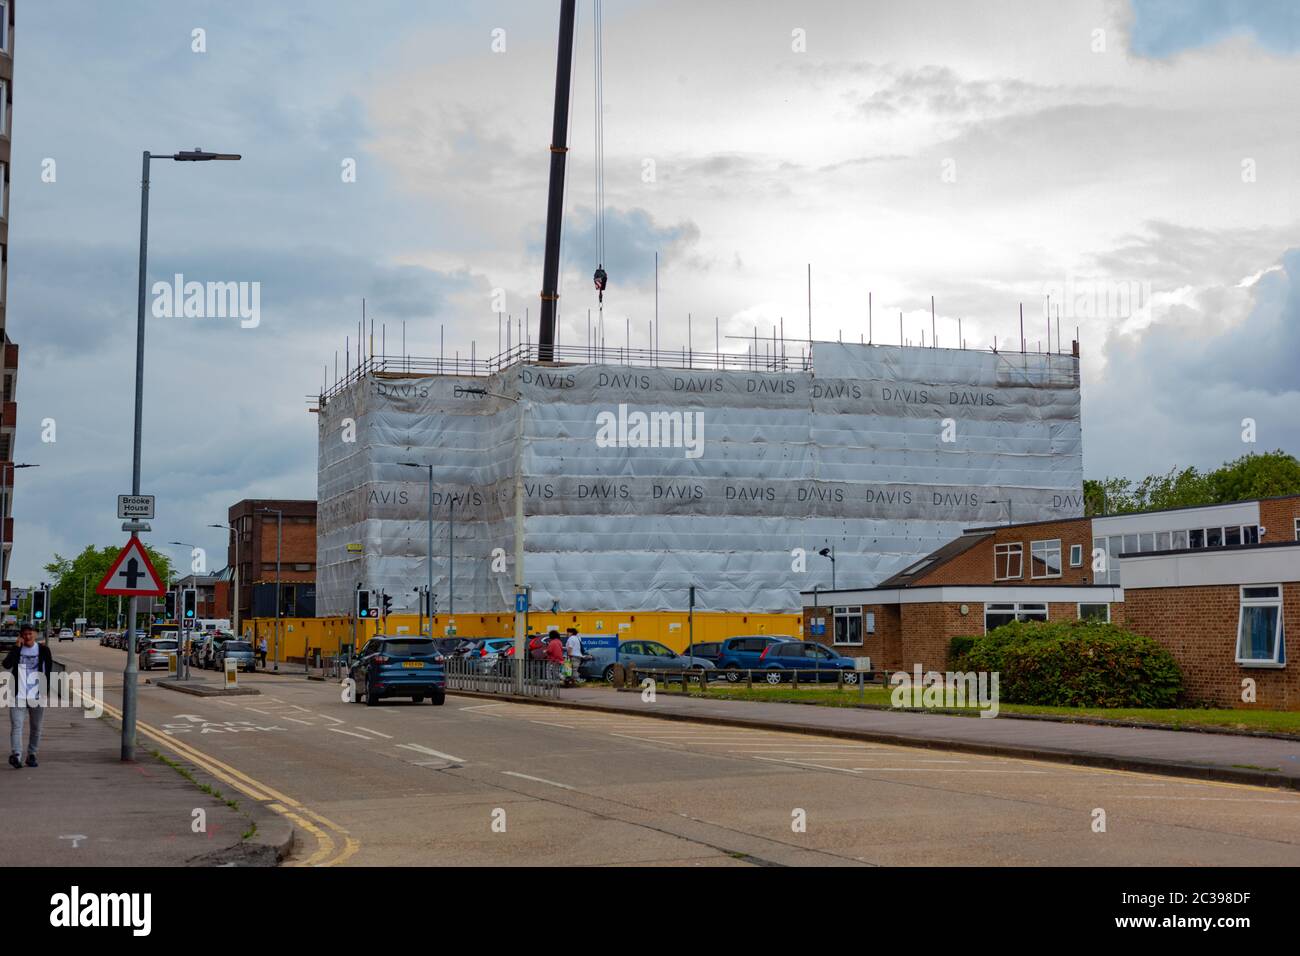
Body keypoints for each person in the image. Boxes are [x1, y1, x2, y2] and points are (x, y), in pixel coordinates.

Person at [4, 624, 52, 769]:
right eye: (24, 634)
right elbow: (6, 664)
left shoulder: (43, 650)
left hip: (36, 695)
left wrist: (46, 691)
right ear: (21, 636)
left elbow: (49, 671)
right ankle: (16, 756)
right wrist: (16, 648)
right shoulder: (18, 650)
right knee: (17, 726)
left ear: (35, 634)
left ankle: (32, 755)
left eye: (30, 633)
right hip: (18, 694)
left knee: (36, 727)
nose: (28, 637)